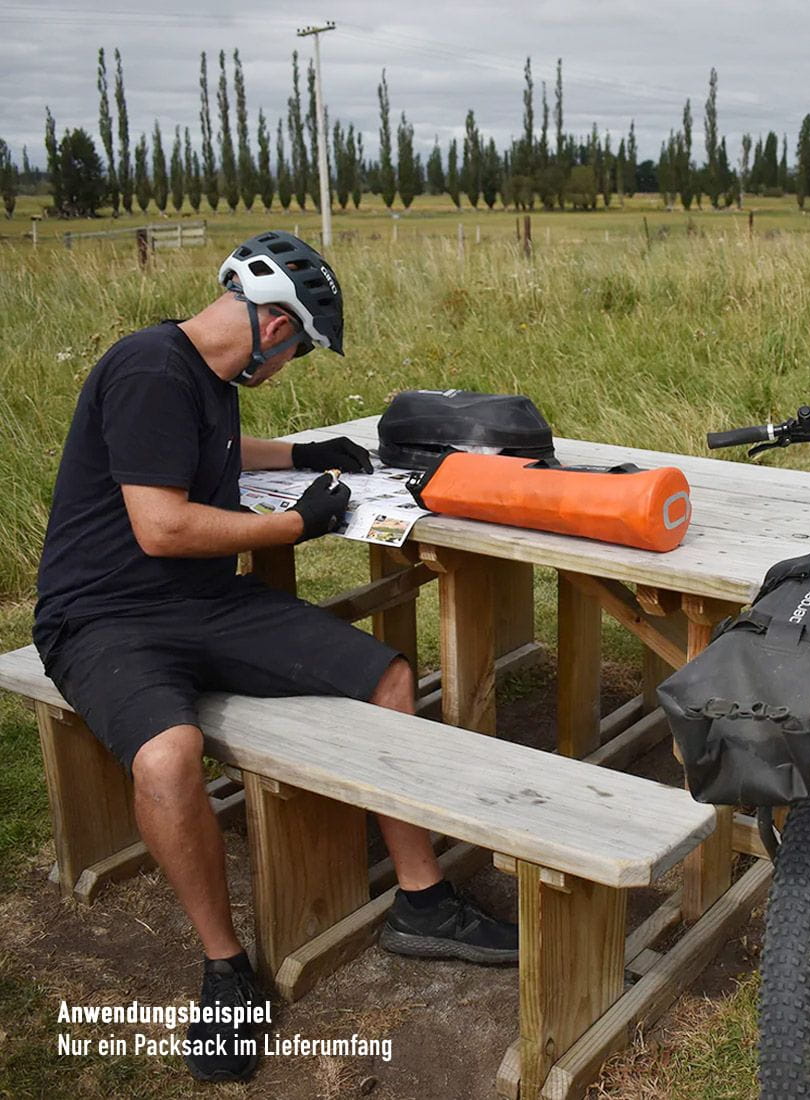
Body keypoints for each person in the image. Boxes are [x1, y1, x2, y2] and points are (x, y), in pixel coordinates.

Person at [33, 231, 518, 1084]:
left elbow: (205, 459)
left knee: (390, 676)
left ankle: (422, 899)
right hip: (105, 617)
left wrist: (301, 455)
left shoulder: (205, 379)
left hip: (204, 604)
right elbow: (162, 524)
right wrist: (301, 522)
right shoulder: (150, 367)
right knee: (169, 753)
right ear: (270, 326)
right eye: (296, 349)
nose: (289, 365)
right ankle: (225, 969)